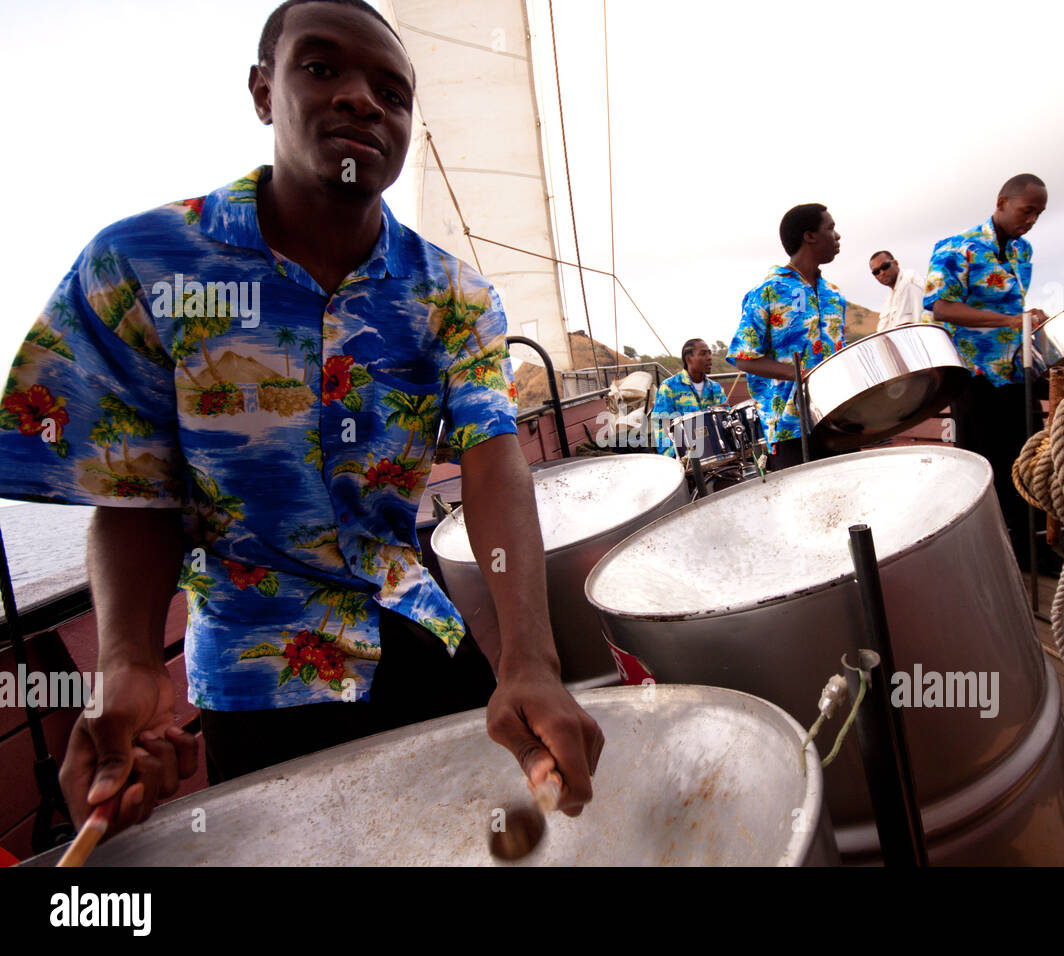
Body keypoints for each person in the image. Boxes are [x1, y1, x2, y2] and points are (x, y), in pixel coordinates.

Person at [0, 0, 601, 839]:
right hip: (257, 679)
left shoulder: (453, 298)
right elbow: (137, 496)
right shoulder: (142, 265)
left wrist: (530, 659)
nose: (363, 100)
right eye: (322, 69)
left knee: (487, 848)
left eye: (392, 93)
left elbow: (495, 461)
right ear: (262, 90)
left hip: (417, 635)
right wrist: (129, 660)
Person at [923, 173, 1050, 573]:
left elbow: (1015, 312)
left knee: (1027, 457)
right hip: (974, 377)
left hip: (1016, 371)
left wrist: (1029, 321)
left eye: (1039, 214)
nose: (1031, 220)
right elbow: (940, 307)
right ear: (1002, 202)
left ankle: (1032, 549)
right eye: (1027, 210)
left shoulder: (1023, 250)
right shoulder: (956, 248)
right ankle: (993, 552)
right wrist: (1010, 319)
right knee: (986, 463)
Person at [727, 203, 846, 470]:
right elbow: (743, 357)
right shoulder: (769, 291)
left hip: (838, 419)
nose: (837, 236)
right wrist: (797, 372)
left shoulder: (835, 294)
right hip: (789, 426)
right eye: (831, 228)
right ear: (810, 235)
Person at [652, 339, 728, 457]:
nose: (709, 357)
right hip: (687, 459)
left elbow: (726, 422)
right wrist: (674, 456)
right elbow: (661, 425)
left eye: (709, 353)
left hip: (719, 454)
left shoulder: (715, 388)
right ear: (688, 359)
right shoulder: (669, 387)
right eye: (703, 353)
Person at [869, 251, 931, 331]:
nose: (882, 273)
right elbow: (883, 332)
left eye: (885, 266)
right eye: (876, 272)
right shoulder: (888, 300)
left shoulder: (910, 282)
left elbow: (903, 329)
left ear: (895, 263)